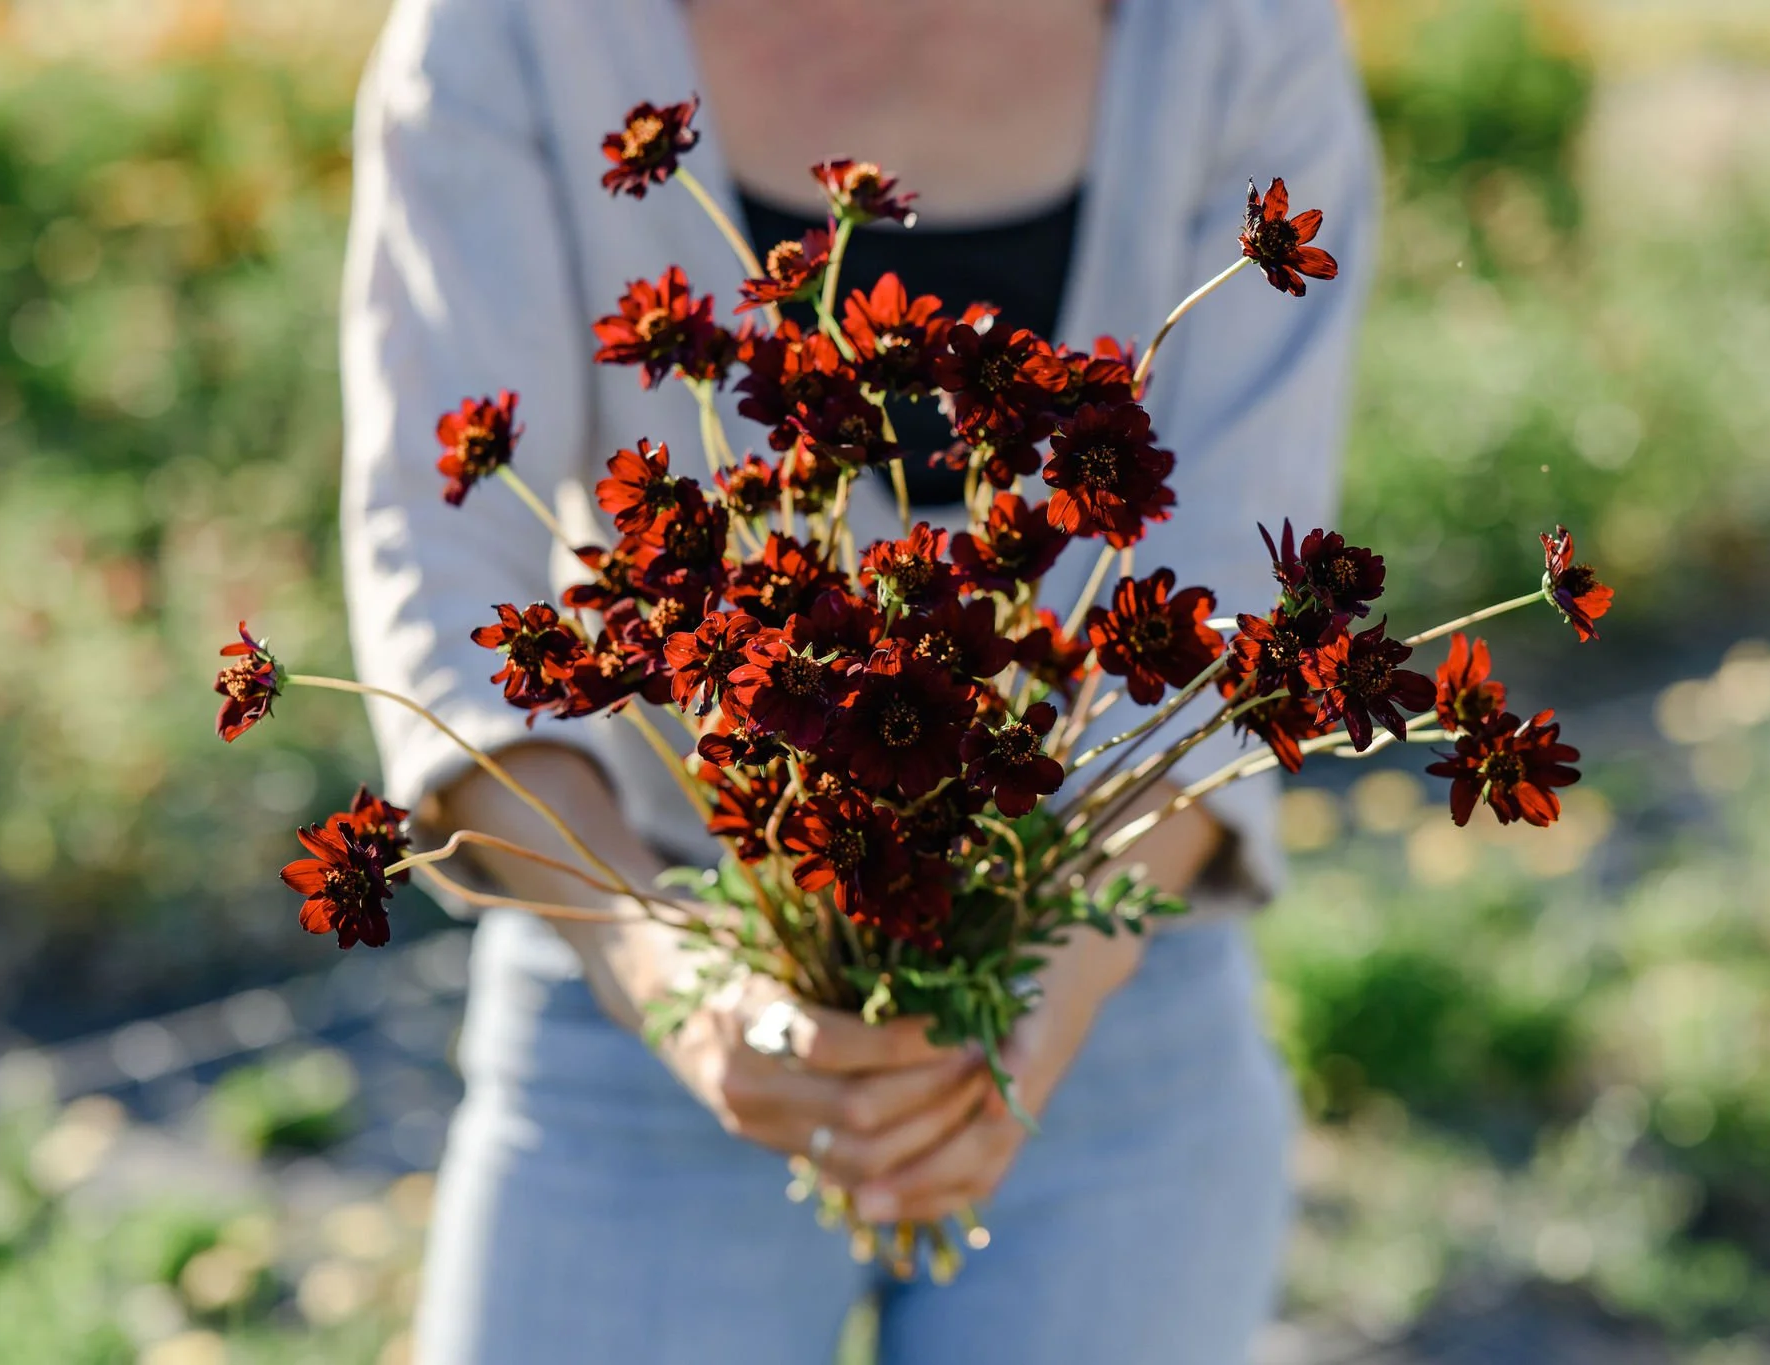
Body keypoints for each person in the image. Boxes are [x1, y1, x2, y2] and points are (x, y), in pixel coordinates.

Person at [339, 0, 1376, 1360]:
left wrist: (1043, 985)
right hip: (651, 986)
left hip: (1104, 1009)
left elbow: (1240, 576)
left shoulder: (1239, 36)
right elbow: (447, 550)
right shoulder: (519, 30)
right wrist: (665, 964)